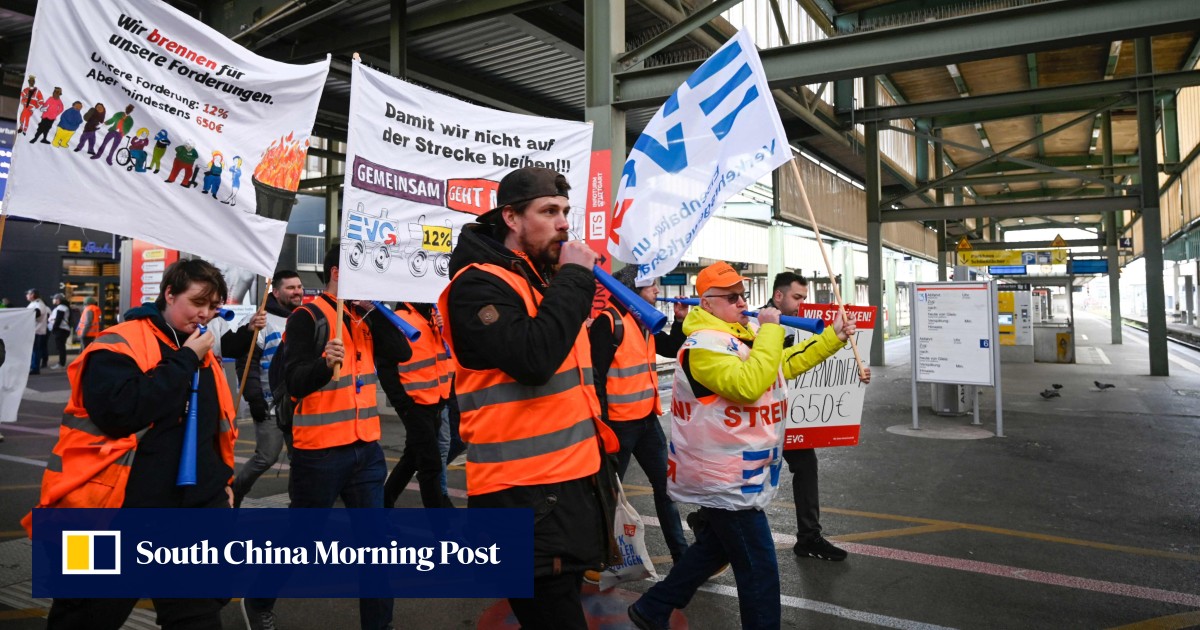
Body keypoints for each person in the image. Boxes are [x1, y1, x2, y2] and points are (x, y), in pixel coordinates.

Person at [628, 261, 869, 630]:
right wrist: (771, 331)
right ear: (707, 304)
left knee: (715, 548)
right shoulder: (702, 347)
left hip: (740, 472)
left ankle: (653, 608)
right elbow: (749, 384)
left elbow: (778, 366)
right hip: (723, 478)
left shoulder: (736, 336)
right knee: (759, 567)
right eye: (731, 297)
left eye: (743, 295)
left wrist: (831, 338)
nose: (742, 303)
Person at [21, 259, 249, 630]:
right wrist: (186, 359)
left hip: (192, 513)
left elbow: (215, 430)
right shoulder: (119, 342)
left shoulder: (204, 354)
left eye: (214, 305)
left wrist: (222, 486)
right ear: (169, 294)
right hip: (114, 512)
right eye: (197, 302)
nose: (205, 314)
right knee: (83, 616)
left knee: (198, 616)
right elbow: (122, 413)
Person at [439, 166, 619, 630]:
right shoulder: (477, 285)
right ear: (512, 218)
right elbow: (534, 358)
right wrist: (576, 278)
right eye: (548, 211)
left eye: (564, 211)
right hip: (522, 502)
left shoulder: (538, 281)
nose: (563, 222)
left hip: (564, 492)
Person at [273, 242, 411, 630]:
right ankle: (260, 597)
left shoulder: (362, 318)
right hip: (320, 454)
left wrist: (375, 311)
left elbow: (400, 351)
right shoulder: (307, 317)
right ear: (338, 272)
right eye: (363, 270)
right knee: (300, 542)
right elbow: (294, 382)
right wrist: (323, 365)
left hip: (365, 451)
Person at [588, 265, 690, 565]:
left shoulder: (645, 321)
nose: (658, 291)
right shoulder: (609, 323)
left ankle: (681, 556)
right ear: (633, 291)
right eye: (651, 286)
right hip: (618, 427)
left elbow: (671, 348)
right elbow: (595, 378)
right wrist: (602, 425)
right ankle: (596, 558)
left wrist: (681, 321)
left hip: (646, 422)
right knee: (608, 496)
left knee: (667, 488)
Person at [766, 271, 850, 561]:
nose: (802, 304)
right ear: (779, 296)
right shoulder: (756, 326)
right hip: (764, 419)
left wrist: (857, 374)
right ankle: (708, 521)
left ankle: (809, 537)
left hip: (794, 416)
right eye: (797, 297)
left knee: (806, 465)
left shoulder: (803, 324)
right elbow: (780, 366)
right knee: (750, 477)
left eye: (804, 298)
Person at [231, 269, 304, 508]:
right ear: (276, 291)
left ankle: (298, 504)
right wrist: (255, 400)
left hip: (297, 405)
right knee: (266, 457)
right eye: (291, 288)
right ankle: (233, 494)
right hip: (269, 404)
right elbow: (247, 363)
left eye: (299, 287)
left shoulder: (302, 318)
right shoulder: (261, 320)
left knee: (300, 459)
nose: (297, 292)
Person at [382, 302, 455, 508]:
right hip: (414, 403)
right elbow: (386, 366)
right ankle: (441, 529)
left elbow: (447, 355)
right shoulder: (398, 318)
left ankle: (384, 502)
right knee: (430, 465)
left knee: (413, 458)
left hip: (437, 400)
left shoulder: (435, 314)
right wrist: (403, 404)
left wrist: (446, 329)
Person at [26, 289, 49, 374]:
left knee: (36, 350)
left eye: (28, 294)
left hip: (37, 330)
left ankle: (35, 368)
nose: (26, 296)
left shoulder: (38, 303)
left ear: (32, 294)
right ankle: (33, 366)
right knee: (34, 350)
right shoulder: (34, 303)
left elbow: (38, 313)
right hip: (35, 330)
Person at [48, 293, 71, 369]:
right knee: (61, 347)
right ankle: (61, 363)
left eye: (54, 298)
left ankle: (61, 363)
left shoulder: (61, 308)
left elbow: (58, 319)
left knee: (61, 347)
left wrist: (54, 329)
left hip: (61, 330)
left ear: (58, 300)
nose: (53, 300)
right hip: (62, 330)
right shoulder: (63, 307)